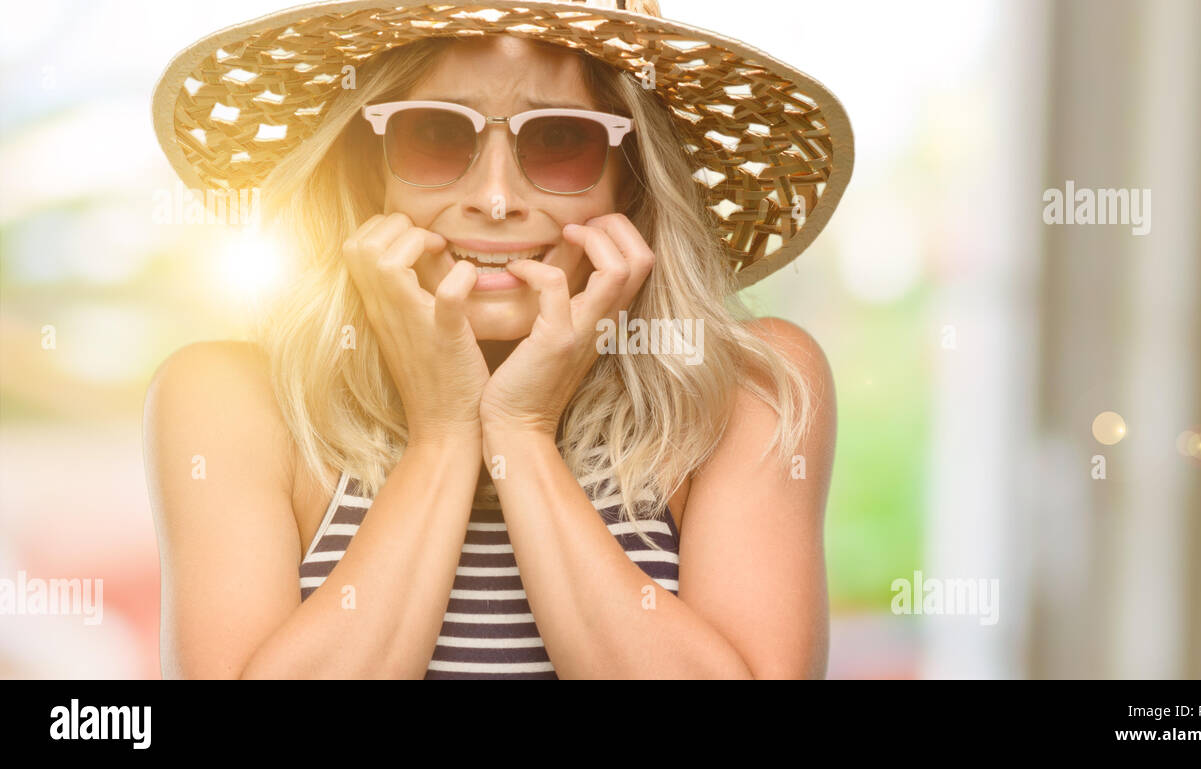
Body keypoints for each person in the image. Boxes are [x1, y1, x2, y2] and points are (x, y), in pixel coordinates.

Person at [144, 0, 852, 679]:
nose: (495, 197)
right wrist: (444, 430)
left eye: (558, 141)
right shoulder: (228, 399)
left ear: (630, 183)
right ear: (370, 173)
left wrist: (520, 429)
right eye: (434, 134)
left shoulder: (750, 387)